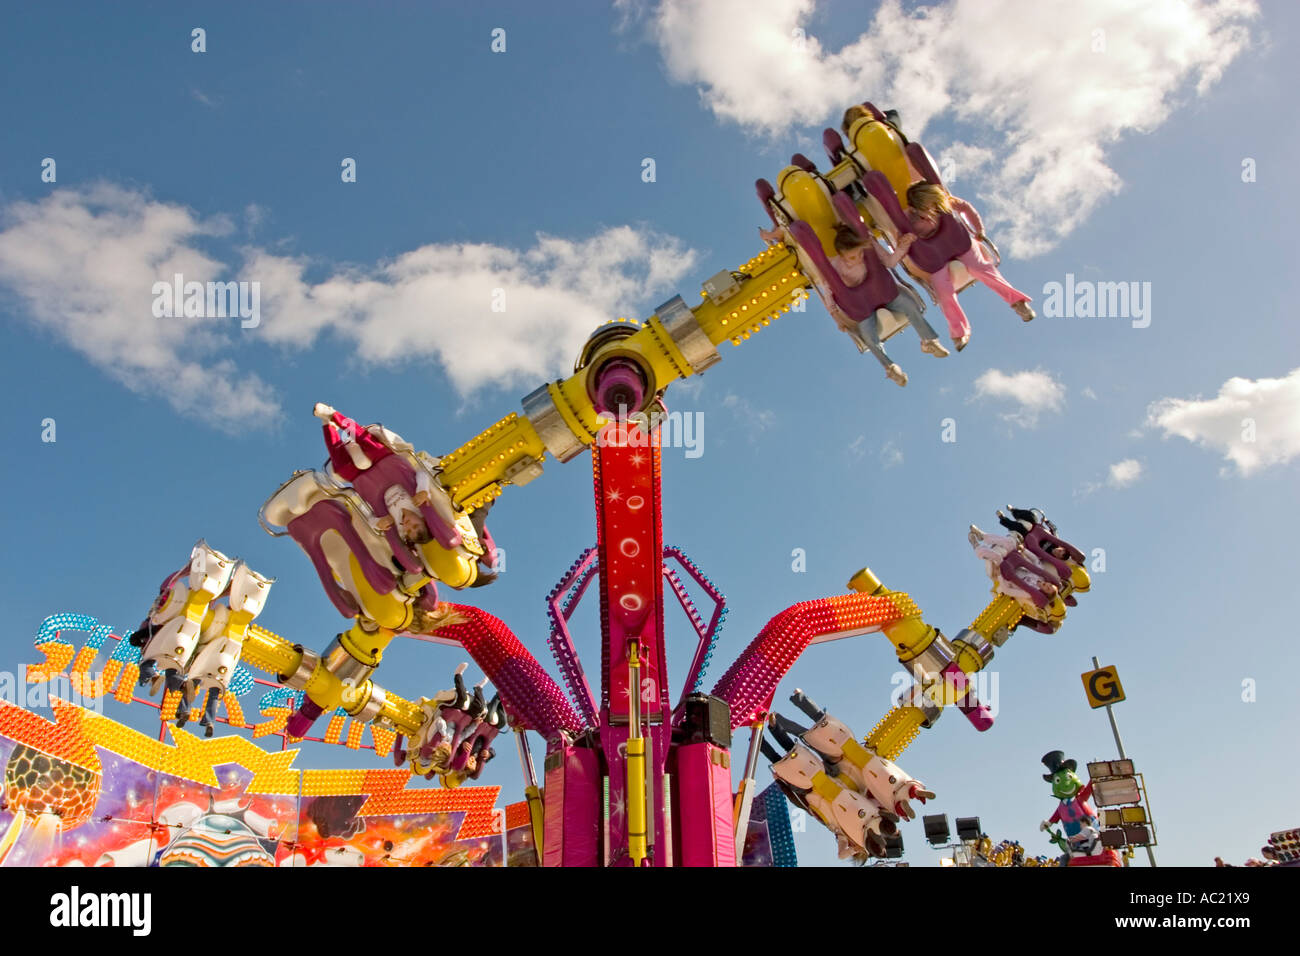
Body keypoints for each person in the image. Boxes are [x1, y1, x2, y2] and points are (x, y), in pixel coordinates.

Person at [904, 183, 1035, 350]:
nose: (932, 210)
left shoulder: (944, 202)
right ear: (916, 207)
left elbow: (965, 207)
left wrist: (979, 230)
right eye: (927, 207)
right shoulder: (908, 218)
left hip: (958, 242)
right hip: (936, 254)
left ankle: (1018, 303)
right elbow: (906, 240)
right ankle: (960, 332)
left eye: (933, 204)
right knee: (943, 291)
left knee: (981, 269)